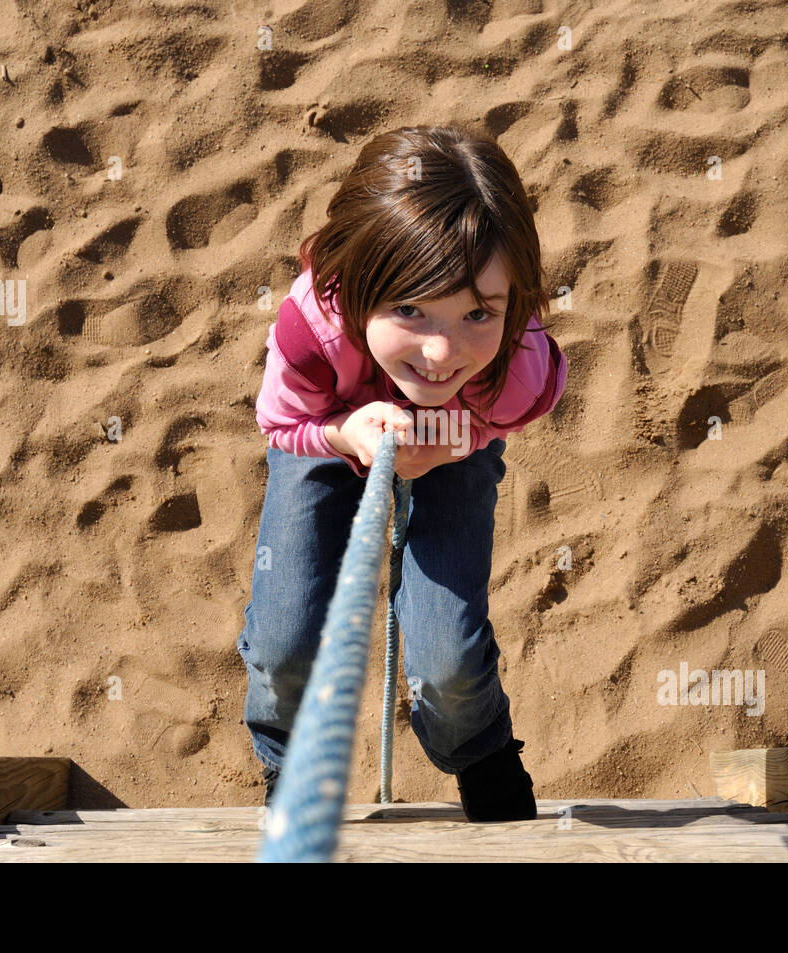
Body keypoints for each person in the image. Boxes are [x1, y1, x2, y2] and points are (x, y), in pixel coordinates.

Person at [237, 124, 568, 822]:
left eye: (477, 311)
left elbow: (527, 406)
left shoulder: (513, 358)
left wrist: (457, 438)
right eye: (410, 309)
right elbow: (280, 424)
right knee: (285, 636)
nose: (442, 350)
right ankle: (289, 759)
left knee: (448, 650)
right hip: (329, 429)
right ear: (356, 285)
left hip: (456, 437)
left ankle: (479, 746)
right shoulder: (311, 329)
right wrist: (343, 436)